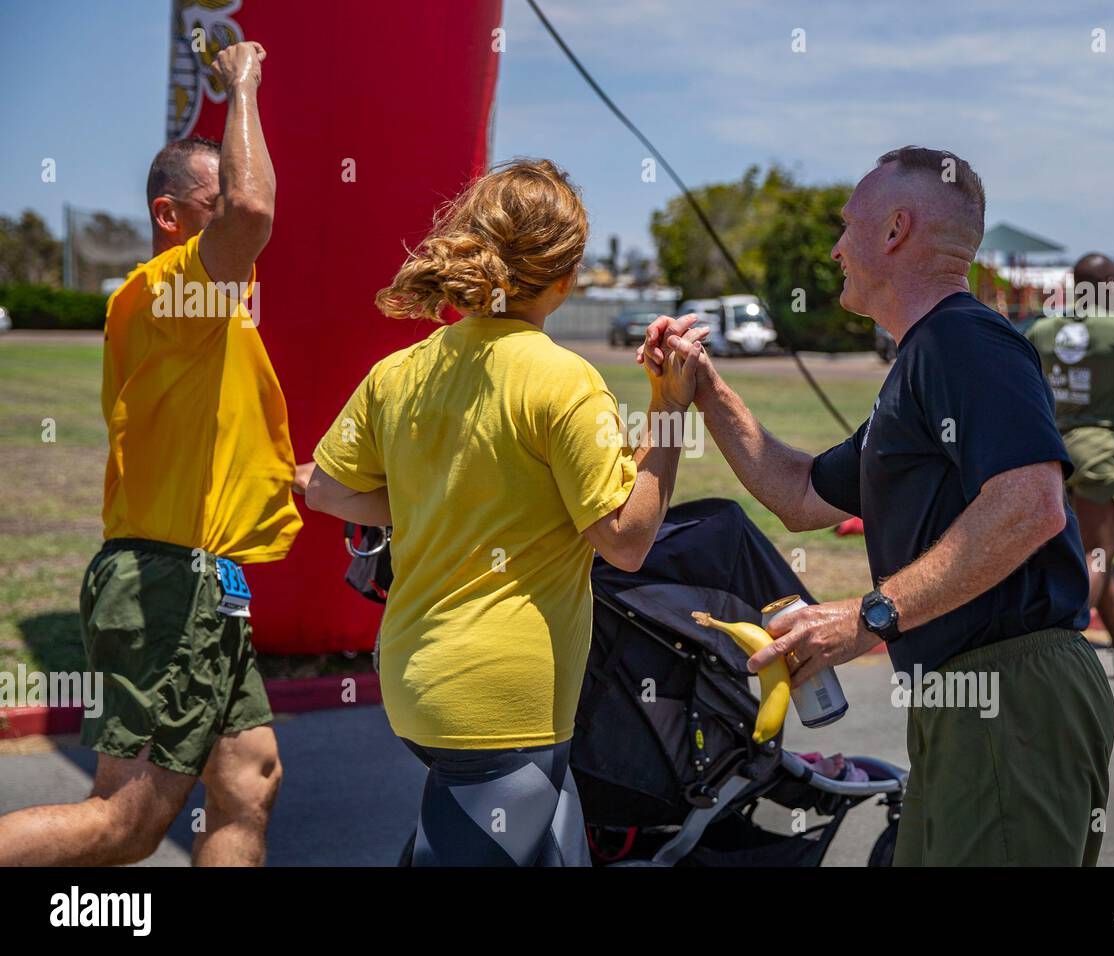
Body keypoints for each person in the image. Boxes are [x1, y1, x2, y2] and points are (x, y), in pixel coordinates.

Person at [643, 146, 1114, 865]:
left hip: (1009, 693)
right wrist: (704, 386)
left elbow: (1030, 506)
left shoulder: (964, 340)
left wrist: (869, 617)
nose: (834, 248)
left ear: (893, 231)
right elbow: (800, 495)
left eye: (845, 227)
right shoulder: (927, 357)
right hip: (969, 696)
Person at [304, 159, 706, 867]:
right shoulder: (563, 379)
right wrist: (668, 408)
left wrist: (442, 499)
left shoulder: (402, 370)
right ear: (566, 276)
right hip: (498, 705)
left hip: (418, 677)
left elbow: (328, 491)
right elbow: (627, 540)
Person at [0, 42, 300, 866]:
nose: (229, 219)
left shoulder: (217, 321)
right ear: (171, 216)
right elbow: (255, 213)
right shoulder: (170, 288)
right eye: (212, 203)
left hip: (206, 585)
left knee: (248, 779)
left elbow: (239, 456)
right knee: (122, 826)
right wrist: (243, 86)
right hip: (171, 582)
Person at [1027, 254, 1114, 678]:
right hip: (1100, 449)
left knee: (1077, 552)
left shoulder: (1043, 327)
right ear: (1110, 283)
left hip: (1050, 449)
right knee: (1100, 555)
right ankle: (1050, 646)